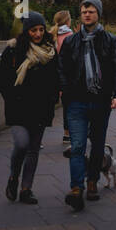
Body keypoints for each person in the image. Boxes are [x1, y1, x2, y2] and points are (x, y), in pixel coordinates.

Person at [56, 0, 116, 212]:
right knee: (77, 146)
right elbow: (62, 70)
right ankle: (76, 188)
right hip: (77, 102)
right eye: (84, 11)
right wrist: (66, 93)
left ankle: (92, 181)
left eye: (91, 11)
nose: (87, 14)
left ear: (98, 14)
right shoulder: (71, 42)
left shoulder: (110, 40)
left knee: (97, 145)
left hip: (101, 101)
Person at [0, 12, 60, 206]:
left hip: (41, 107)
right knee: (22, 144)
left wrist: (52, 98)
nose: (38, 34)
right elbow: (2, 81)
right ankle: (14, 177)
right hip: (18, 108)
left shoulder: (49, 51)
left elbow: (55, 78)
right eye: (33, 30)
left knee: (33, 150)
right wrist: (12, 98)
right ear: (26, 31)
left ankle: (26, 189)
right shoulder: (13, 51)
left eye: (41, 29)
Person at [53, 10, 74, 153]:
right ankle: (69, 133)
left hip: (54, 76)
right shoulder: (70, 35)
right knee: (71, 105)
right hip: (68, 76)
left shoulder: (52, 35)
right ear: (68, 21)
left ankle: (66, 133)